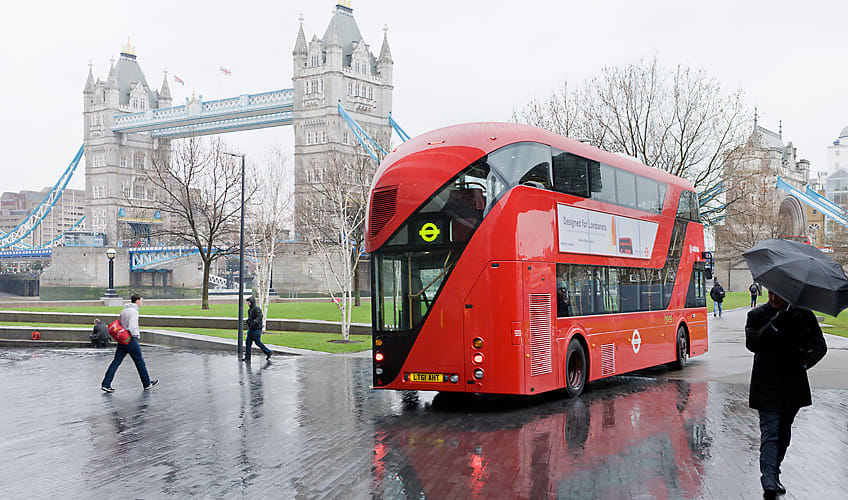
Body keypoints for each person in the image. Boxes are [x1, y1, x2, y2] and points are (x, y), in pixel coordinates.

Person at [745, 290, 827, 498]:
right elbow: (753, 343)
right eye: (771, 294)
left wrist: (805, 362)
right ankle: (769, 478)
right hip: (766, 384)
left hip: (792, 384)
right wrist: (774, 324)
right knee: (770, 432)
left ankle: (774, 471)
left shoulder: (803, 316)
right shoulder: (757, 315)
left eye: (779, 295)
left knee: (783, 433)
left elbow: (819, 346)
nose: (774, 298)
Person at [100, 294, 158, 392]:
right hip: (130, 339)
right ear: (137, 301)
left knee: (116, 361)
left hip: (122, 339)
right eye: (141, 301)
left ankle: (106, 383)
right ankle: (147, 383)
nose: (142, 303)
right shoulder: (134, 312)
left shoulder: (124, 310)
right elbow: (132, 327)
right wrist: (136, 335)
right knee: (139, 361)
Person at [243, 296, 272, 362]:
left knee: (258, 342)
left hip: (256, 329)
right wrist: (247, 321)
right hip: (251, 329)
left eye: (249, 302)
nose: (248, 303)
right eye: (248, 302)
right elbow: (251, 318)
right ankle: (247, 357)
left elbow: (259, 317)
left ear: (252, 302)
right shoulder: (249, 310)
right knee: (248, 342)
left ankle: (268, 352)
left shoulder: (257, 309)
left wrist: (255, 322)